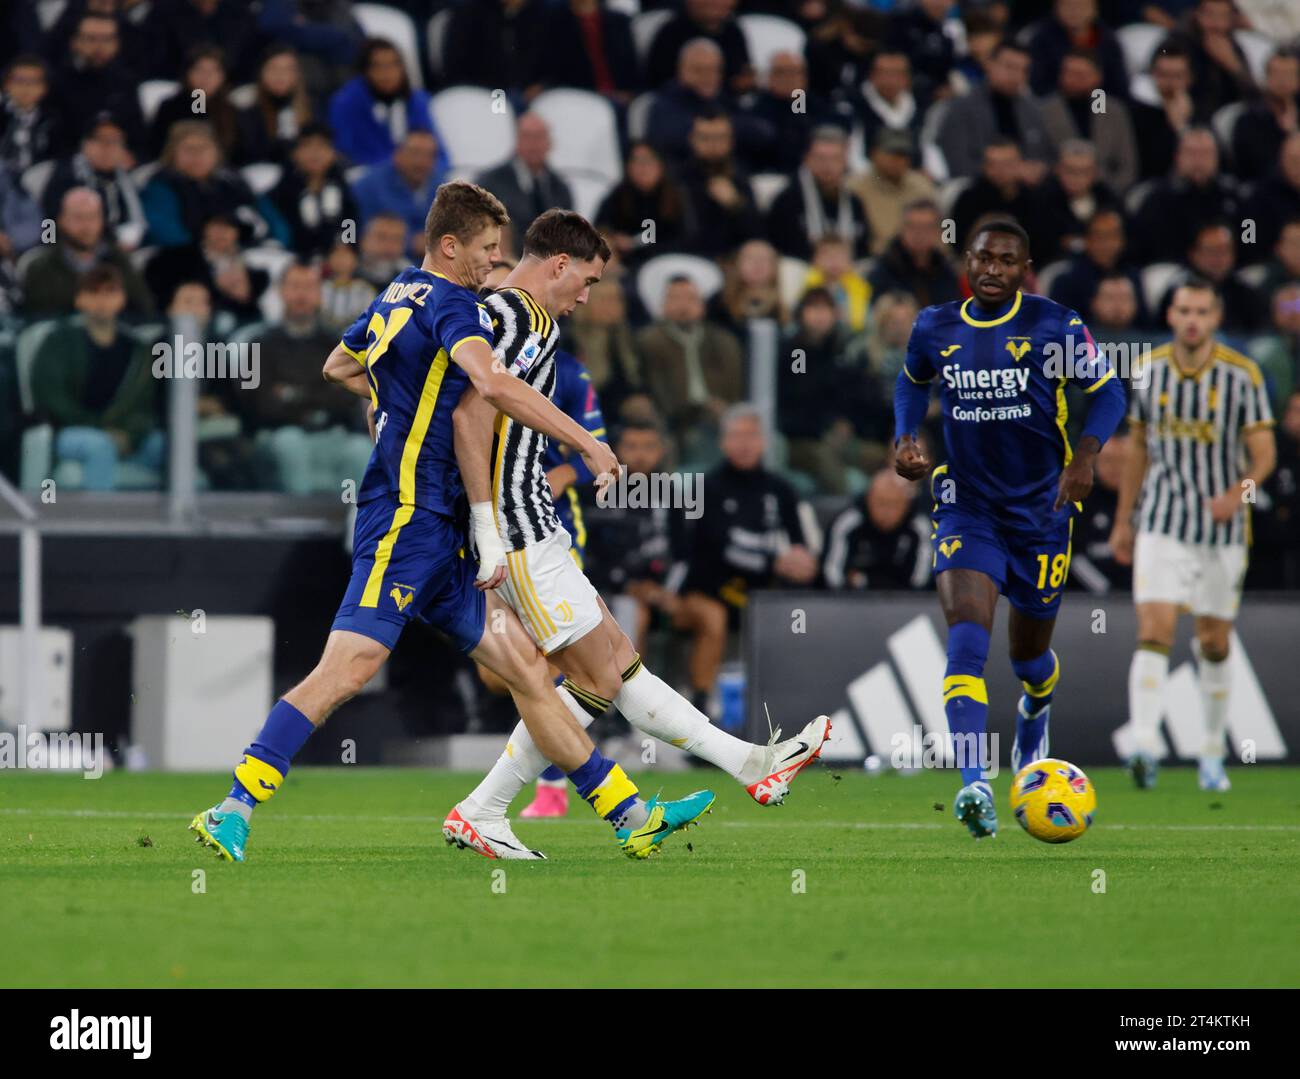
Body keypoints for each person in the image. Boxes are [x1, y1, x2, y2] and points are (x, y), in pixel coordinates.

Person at [190, 181, 709, 864]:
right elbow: (491, 385)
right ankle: (234, 805)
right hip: (408, 519)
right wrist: (584, 441)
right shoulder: (452, 305)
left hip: (444, 534)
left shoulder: (398, 292)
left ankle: (631, 813)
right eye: (487, 250)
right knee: (348, 668)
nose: (493, 263)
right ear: (449, 245)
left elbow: (340, 363)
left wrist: (395, 402)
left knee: (527, 669)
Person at [441, 211, 830, 855]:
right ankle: (746, 768)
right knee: (602, 672)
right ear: (560, 265)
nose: (587, 298)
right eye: (588, 281)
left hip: (529, 519)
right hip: (515, 528)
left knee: (608, 669)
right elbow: (472, 412)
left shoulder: (504, 314)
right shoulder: (518, 316)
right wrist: (491, 514)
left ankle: (484, 808)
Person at [892, 217, 1127, 839]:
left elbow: (1108, 393)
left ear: (1026, 268)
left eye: (1006, 260)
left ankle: (1037, 704)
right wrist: (905, 437)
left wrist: (1085, 455)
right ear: (966, 262)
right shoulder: (935, 325)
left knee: (1028, 656)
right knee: (967, 635)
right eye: (982, 257)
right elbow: (911, 383)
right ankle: (974, 784)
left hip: (1043, 512)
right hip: (966, 503)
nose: (993, 268)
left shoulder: (1054, 325)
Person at [1108, 279, 1277, 793]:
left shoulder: (1241, 376)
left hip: (1222, 528)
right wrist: (1124, 518)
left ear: (1216, 315)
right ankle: (1143, 743)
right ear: (1172, 314)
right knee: (1155, 627)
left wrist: (1238, 494)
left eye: (1202, 310)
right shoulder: (1148, 369)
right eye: (1184, 310)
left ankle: (1210, 751)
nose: (1192, 320)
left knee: (1214, 640)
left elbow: (1265, 455)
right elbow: (1137, 448)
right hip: (1162, 520)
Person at [676, 405, 820, 716]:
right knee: (713, 617)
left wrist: (800, 563)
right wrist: (774, 563)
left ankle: (793, 709)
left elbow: (801, 546)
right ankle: (700, 710)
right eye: (737, 436)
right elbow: (714, 550)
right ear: (723, 442)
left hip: (766, 594)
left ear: (765, 442)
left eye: (752, 436)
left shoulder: (781, 490)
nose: (745, 444)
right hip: (710, 589)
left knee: (800, 615)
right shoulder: (706, 489)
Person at [29, 265, 162, 491]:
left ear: (122, 299)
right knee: (100, 446)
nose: (102, 300)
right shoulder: (58, 341)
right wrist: (102, 430)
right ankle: (100, 523)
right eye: (93, 292)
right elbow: (52, 398)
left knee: (162, 444)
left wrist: (130, 434)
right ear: (80, 299)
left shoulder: (138, 349)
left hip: (124, 433)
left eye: (110, 292)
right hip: (70, 431)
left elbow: (145, 404)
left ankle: (164, 522)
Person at [822, 469, 931, 590]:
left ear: (906, 504)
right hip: (851, 603)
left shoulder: (920, 527)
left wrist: (864, 580)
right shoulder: (848, 523)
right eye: (881, 503)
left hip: (905, 603)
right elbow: (832, 575)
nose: (886, 512)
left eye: (894, 504)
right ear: (869, 499)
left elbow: (921, 581)